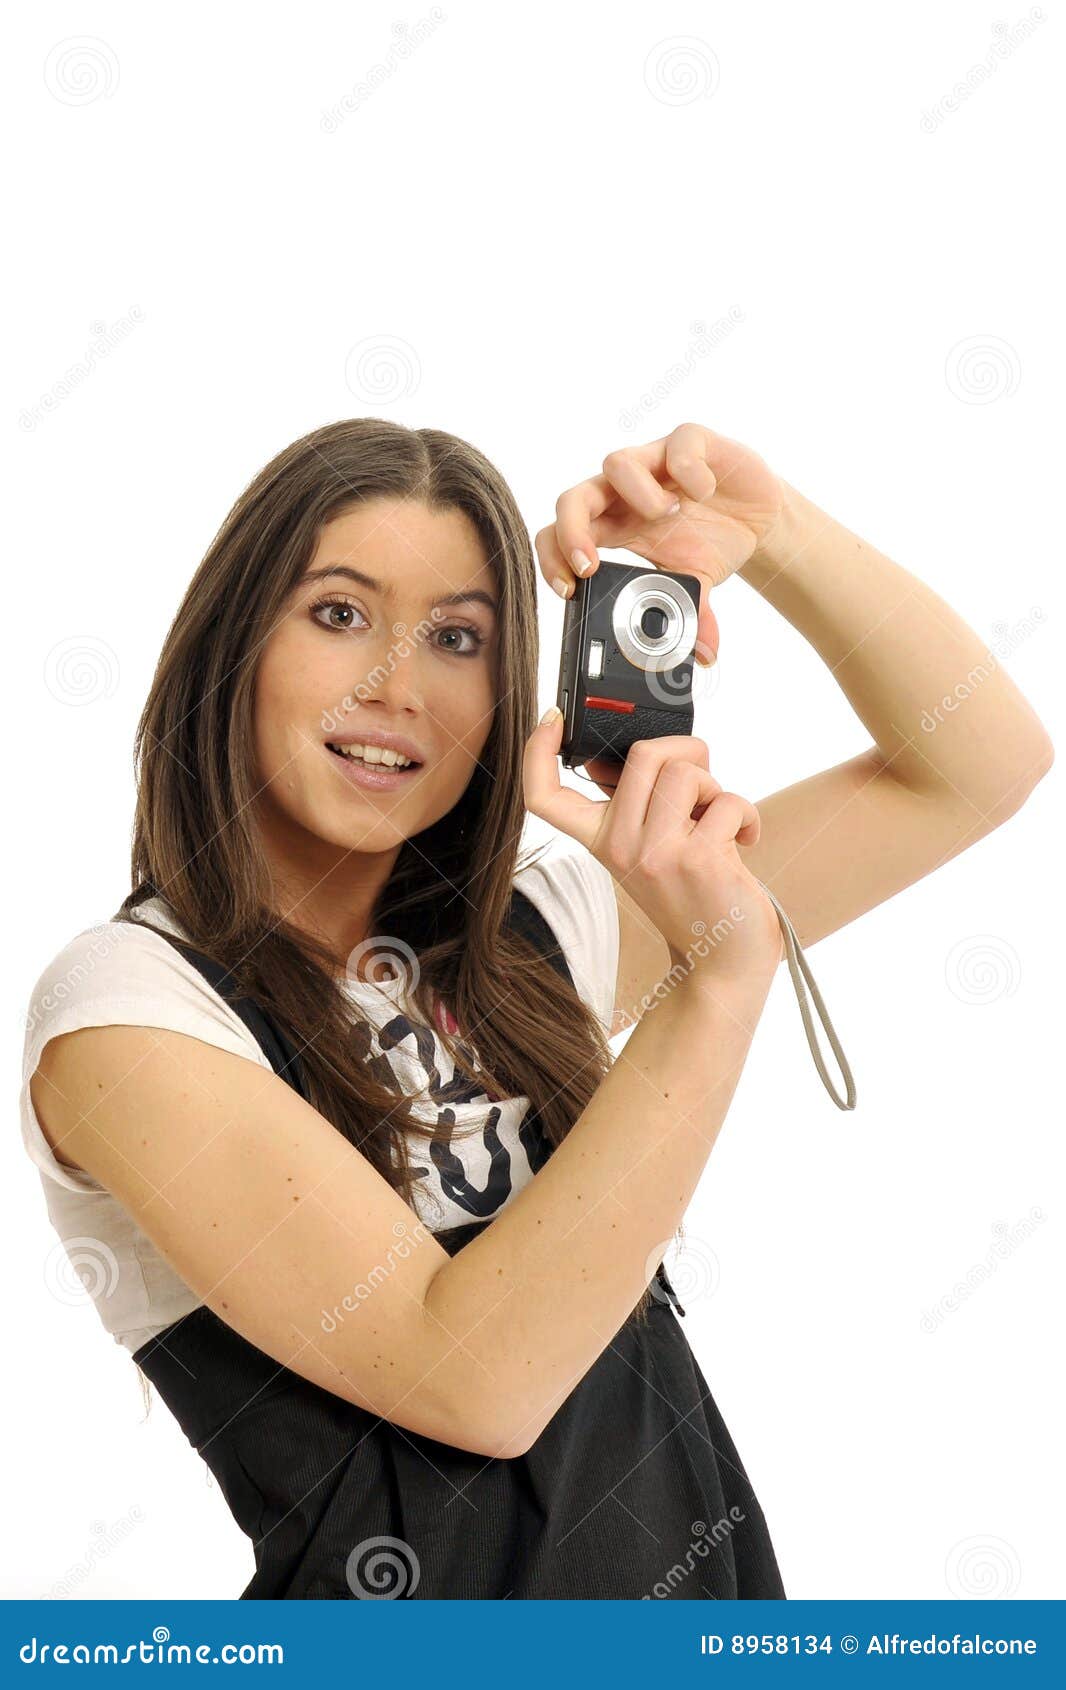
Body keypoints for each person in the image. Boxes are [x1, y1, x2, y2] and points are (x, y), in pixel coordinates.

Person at [21, 418, 1052, 1600]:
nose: (394, 686)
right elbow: (475, 1383)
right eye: (340, 613)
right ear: (231, 643)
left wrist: (773, 536)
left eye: (457, 637)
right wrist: (717, 977)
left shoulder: (536, 937)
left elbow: (974, 767)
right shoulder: (128, 1007)